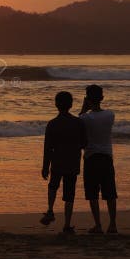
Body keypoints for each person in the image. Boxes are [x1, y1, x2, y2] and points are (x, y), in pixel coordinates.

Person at [40, 91, 87, 234]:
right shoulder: (79, 123)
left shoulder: (52, 124)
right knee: (69, 194)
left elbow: (48, 148)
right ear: (71, 105)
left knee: (53, 186)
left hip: (57, 162)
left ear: (56, 105)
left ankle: (50, 210)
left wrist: (45, 167)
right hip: (72, 162)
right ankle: (67, 224)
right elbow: (84, 143)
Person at [79, 84, 118, 234]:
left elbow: (78, 123)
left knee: (92, 193)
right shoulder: (110, 115)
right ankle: (113, 224)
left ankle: (98, 225)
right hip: (106, 157)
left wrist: (83, 108)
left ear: (87, 99)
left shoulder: (85, 117)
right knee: (110, 193)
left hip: (91, 158)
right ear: (102, 98)